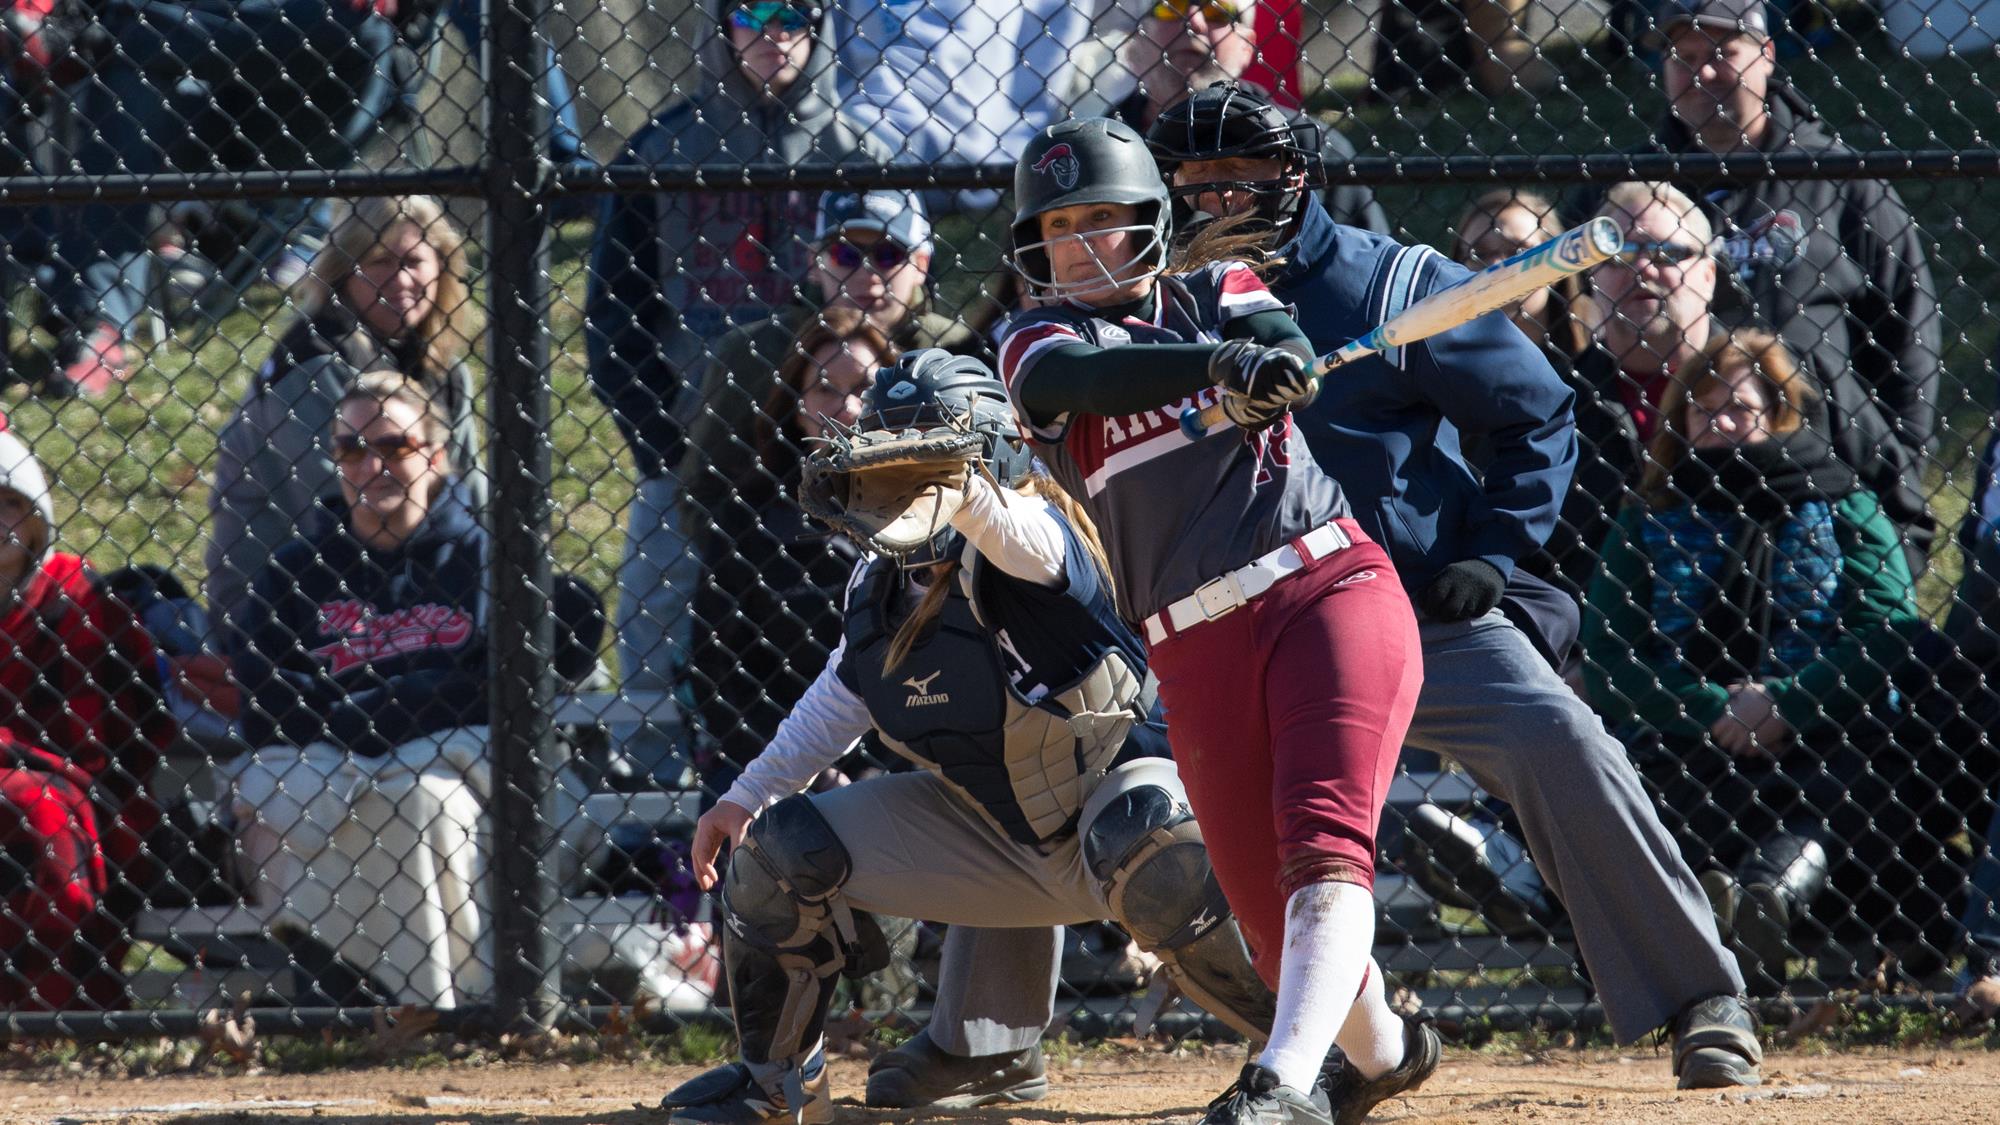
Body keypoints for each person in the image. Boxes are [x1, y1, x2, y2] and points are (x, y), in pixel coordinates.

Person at [1149, 83, 1766, 1088]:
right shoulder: (1154, 304)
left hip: (1405, 604)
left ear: (1295, 174)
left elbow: (1536, 410)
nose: (1219, 198)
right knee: (1118, 787)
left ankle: (1701, 995)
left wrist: (1492, 550)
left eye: (1245, 177)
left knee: (1553, 735)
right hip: (1227, 623)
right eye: (1196, 181)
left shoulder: (1389, 288)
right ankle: (1350, 1044)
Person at [657, 351, 1278, 1122]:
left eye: (927, 456)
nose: (900, 477)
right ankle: (782, 1082)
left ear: (991, 456)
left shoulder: (1040, 530)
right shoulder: (877, 580)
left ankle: (1303, 1047)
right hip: (1007, 838)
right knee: (776, 852)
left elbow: (1009, 531)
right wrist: (746, 794)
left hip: (1126, 816)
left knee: (1145, 840)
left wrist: (957, 489)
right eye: (886, 451)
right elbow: (839, 697)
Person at [994, 116, 1437, 1124]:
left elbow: (1275, 339)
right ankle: (1390, 1050)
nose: (1077, 245)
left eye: (1101, 220)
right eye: (1058, 227)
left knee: (1322, 846)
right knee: (1274, 937)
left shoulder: (1217, 292)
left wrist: (1263, 365)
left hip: (1323, 586)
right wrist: (1211, 372)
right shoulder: (1035, 339)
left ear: (1151, 223)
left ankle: (1278, 1085)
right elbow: (1078, 383)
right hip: (1189, 643)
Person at [587, 0, 889, 777]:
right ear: (720, 28)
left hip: (835, 447)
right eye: (750, 13)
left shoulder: (858, 150)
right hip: (691, 445)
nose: (773, 33)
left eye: (795, 13)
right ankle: (645, 810)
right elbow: (613, 324)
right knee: (653, 625)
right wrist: (664, 446)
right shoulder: (661, 148)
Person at [228, 373, 596, 1007]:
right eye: (350, 449)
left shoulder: (492, 560)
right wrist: (418, 702)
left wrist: (364, 713)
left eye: (394, 446)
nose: (371, 465)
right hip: (331, 770)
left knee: (421, 803)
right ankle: (374, 1006)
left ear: (437, 454)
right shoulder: (294, 571)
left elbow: (503, 693)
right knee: (333, 800)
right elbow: (268, 703)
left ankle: (429, 1009)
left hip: (451, 773)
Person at [1582, 330, 1926, 991]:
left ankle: (1765, 901)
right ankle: (1738, 918)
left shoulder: (1840, 500)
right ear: (1679, 421)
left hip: (1824, 734)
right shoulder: (1649, 512)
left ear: (1777, 411)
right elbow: (1610, 657)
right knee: (1650, 794)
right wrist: (1716, 709)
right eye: (1703, 410)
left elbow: (1888, 629)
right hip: (1690, 738)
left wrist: (1786, 703)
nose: (1723, 424)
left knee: (1852, 791)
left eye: (1739, 407)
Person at [1589, 0, 1943, 558]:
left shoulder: (1839, 180)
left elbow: (1908, 325)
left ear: (1768, 56)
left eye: (1723, 53)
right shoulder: (1625, 194)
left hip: (1821, 474)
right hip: (1679, 487)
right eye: (1684, 56)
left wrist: (1901, 454)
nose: (1702, 71)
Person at [43, 0, 399, 395]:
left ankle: (121, 25)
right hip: (208, 91)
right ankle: (100, 319)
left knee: (133, 38)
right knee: (132, 75)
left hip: (314, 98)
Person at [206, 195, 484, 655]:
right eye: (378, 262)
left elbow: (470, 499)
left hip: (417, 587)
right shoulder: (312, 362)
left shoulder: (445, 370)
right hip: (285, 611)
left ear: (441, 267)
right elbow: (348, 514)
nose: (400, 280)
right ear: (344, 270)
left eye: (414, 261)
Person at [678, 187, 982, 579]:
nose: (866, 273)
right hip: (780, 568)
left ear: (922, 263)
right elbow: (704, 486)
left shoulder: (955, 352)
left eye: (888, 255)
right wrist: (750, 569)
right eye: (845, 255)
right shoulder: (757, 351)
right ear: (815, 263)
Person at [0, 430, 176, 1010]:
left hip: (74, 788)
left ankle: (47, 1012)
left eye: (9, 503)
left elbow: (102, 744)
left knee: (33, 812)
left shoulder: (76, 598)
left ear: (36, 520)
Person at [684, 309, 888, 784]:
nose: (849, 409)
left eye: (865, 389)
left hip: (901, 765)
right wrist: (799, 765)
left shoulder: (943, 515)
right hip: (774, 765)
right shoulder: (747, 520)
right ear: (797, 408)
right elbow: (714, 671)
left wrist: (878, 769)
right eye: (826, 390)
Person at [1450, 188, 1632, 598]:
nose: (1499, 268)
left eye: (1518, 250)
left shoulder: (1600, 379)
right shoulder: (1435, 383)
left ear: (1558, 264)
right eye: (1480, 253)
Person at [1071, 6, 1388, 234]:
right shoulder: (1091, 149)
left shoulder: (1311, 143)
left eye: (1218, 13)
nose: (1193, 22)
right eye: (1170, 9)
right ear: (1132, 47)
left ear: (1248, 46)